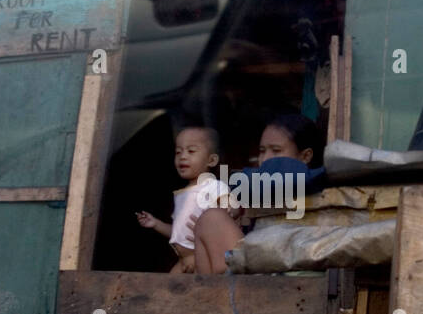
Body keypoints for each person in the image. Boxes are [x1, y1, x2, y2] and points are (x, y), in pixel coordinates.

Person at [189, 113, 325, 275]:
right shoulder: (259, 192)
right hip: (262, 277)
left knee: (212, 220)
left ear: (305, 156)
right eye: (262, 151)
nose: (264, 159)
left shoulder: (310, 183)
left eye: (276, 151)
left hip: (284, 282)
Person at [135, 126, 229, 273]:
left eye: (191, 151)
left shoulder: (213, 186)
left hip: (203, 258)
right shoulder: (181, 195)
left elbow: (229, 213)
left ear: (211, 160)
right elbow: (178, 233)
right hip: (182, 260)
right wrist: (155, 224)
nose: (183, 156)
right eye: (178, 152)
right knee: (166, 291)